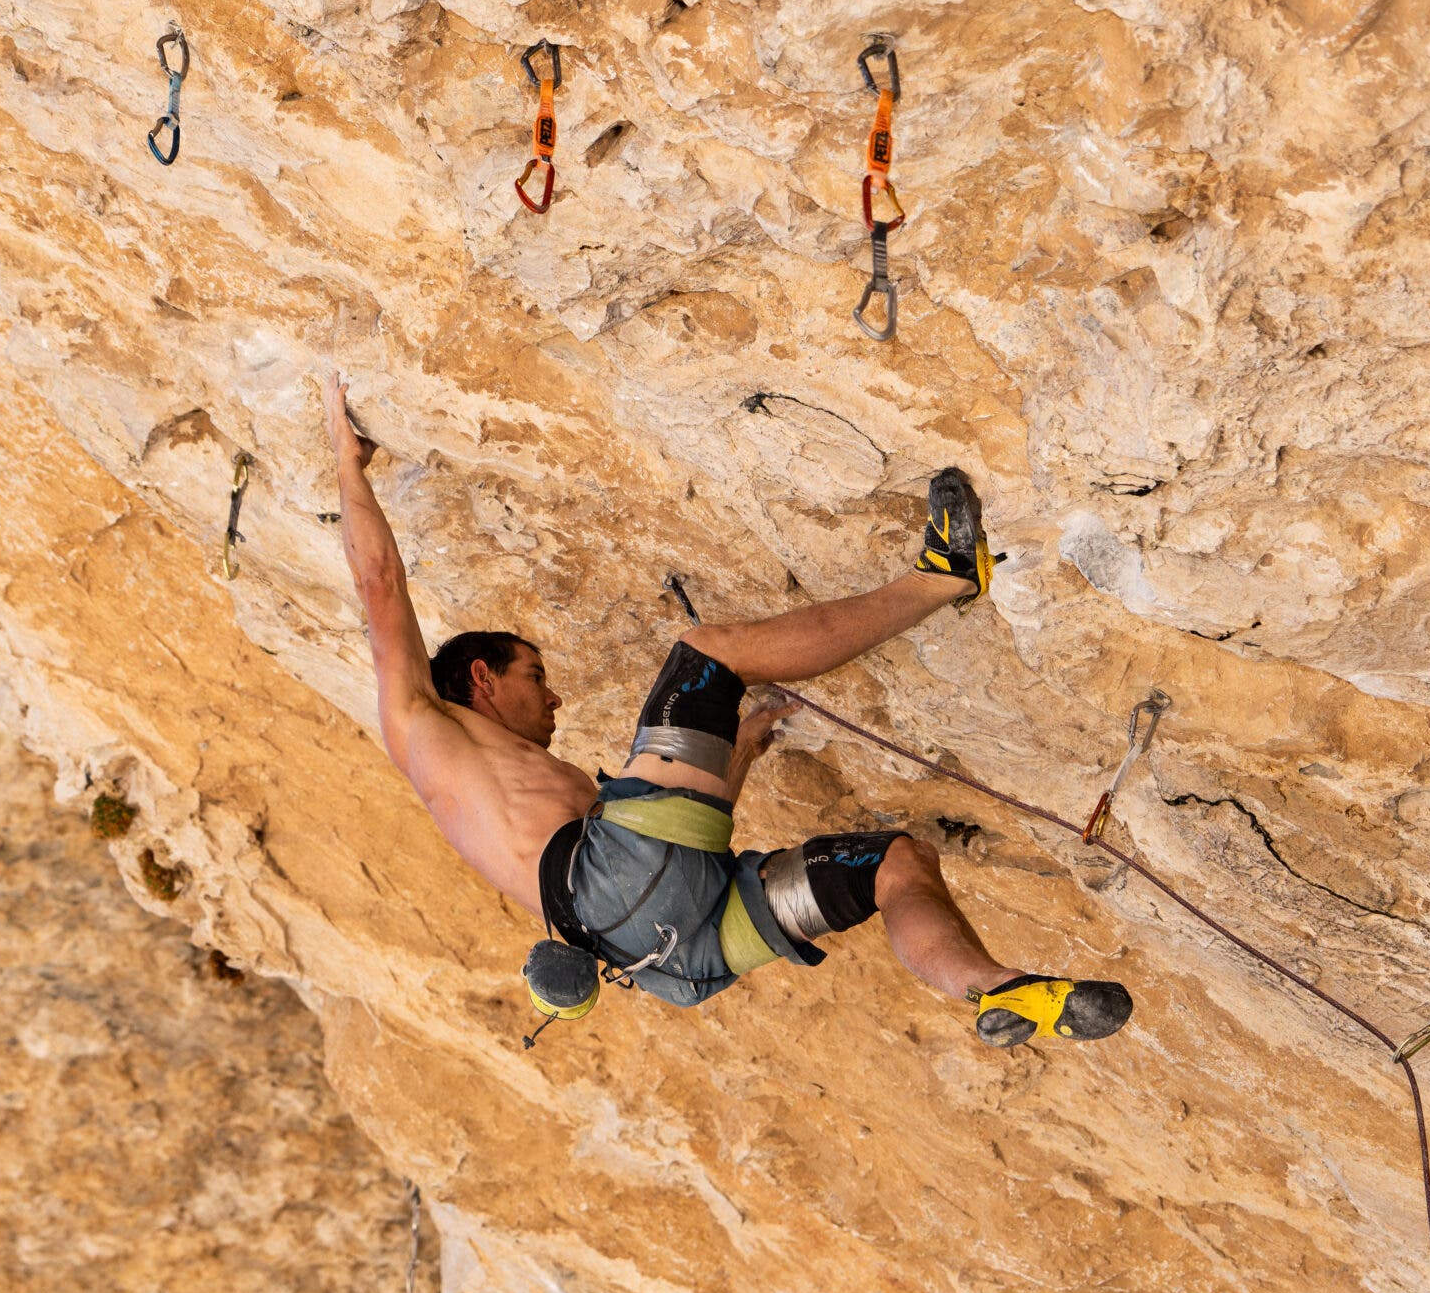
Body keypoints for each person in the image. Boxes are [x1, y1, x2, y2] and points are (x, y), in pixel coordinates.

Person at [321, 369, 1131, 1047]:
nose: (554, 694)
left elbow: (678, 851)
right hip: (618, 883)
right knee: (708, 656)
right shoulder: (421, 723)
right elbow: (378, 584)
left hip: (675, 954)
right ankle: (949, 572)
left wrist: (737, 750)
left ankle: (993, 986)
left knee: (896, 865)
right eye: (533, 673)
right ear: (479, 678)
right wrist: (345, 460)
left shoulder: (498, 795)